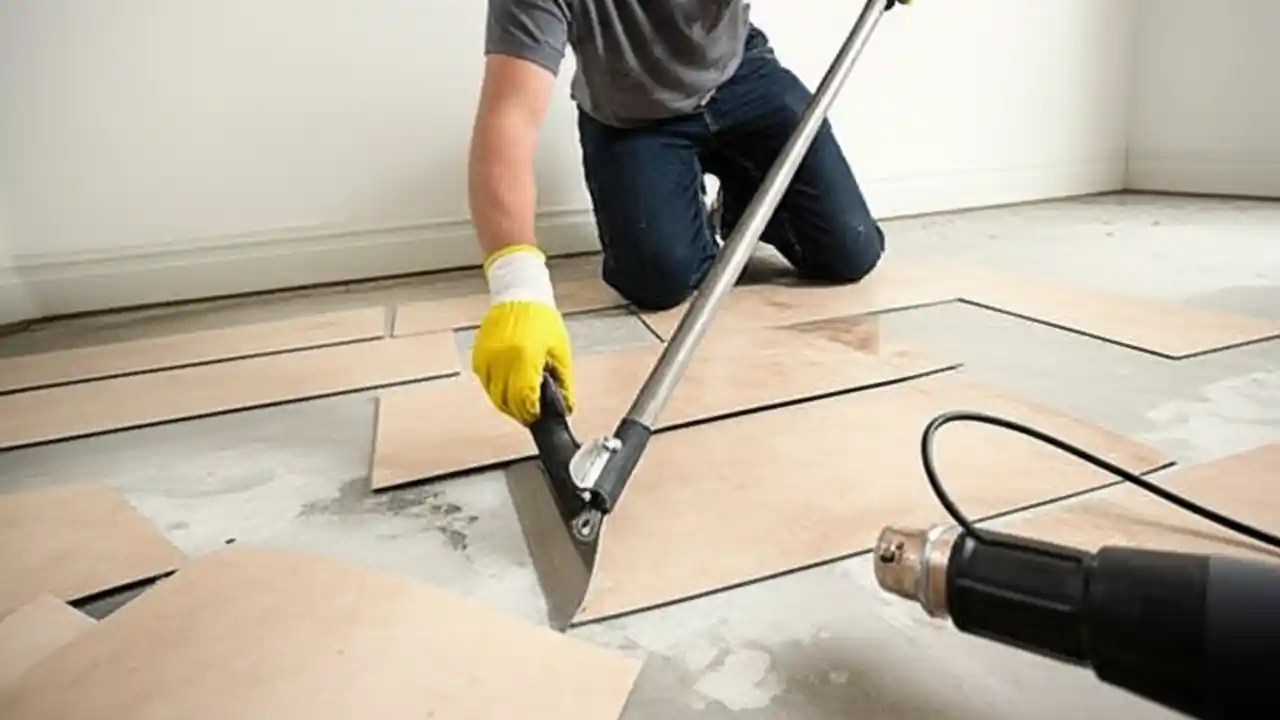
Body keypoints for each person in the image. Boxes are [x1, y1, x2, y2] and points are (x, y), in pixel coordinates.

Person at [468, 1, 885, 425]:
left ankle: (743, 199)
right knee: (657, 278)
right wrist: (518, 289)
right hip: (631, 116)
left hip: (741, 77)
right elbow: (510, 117)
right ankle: (693, 214)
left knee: (850, 251)